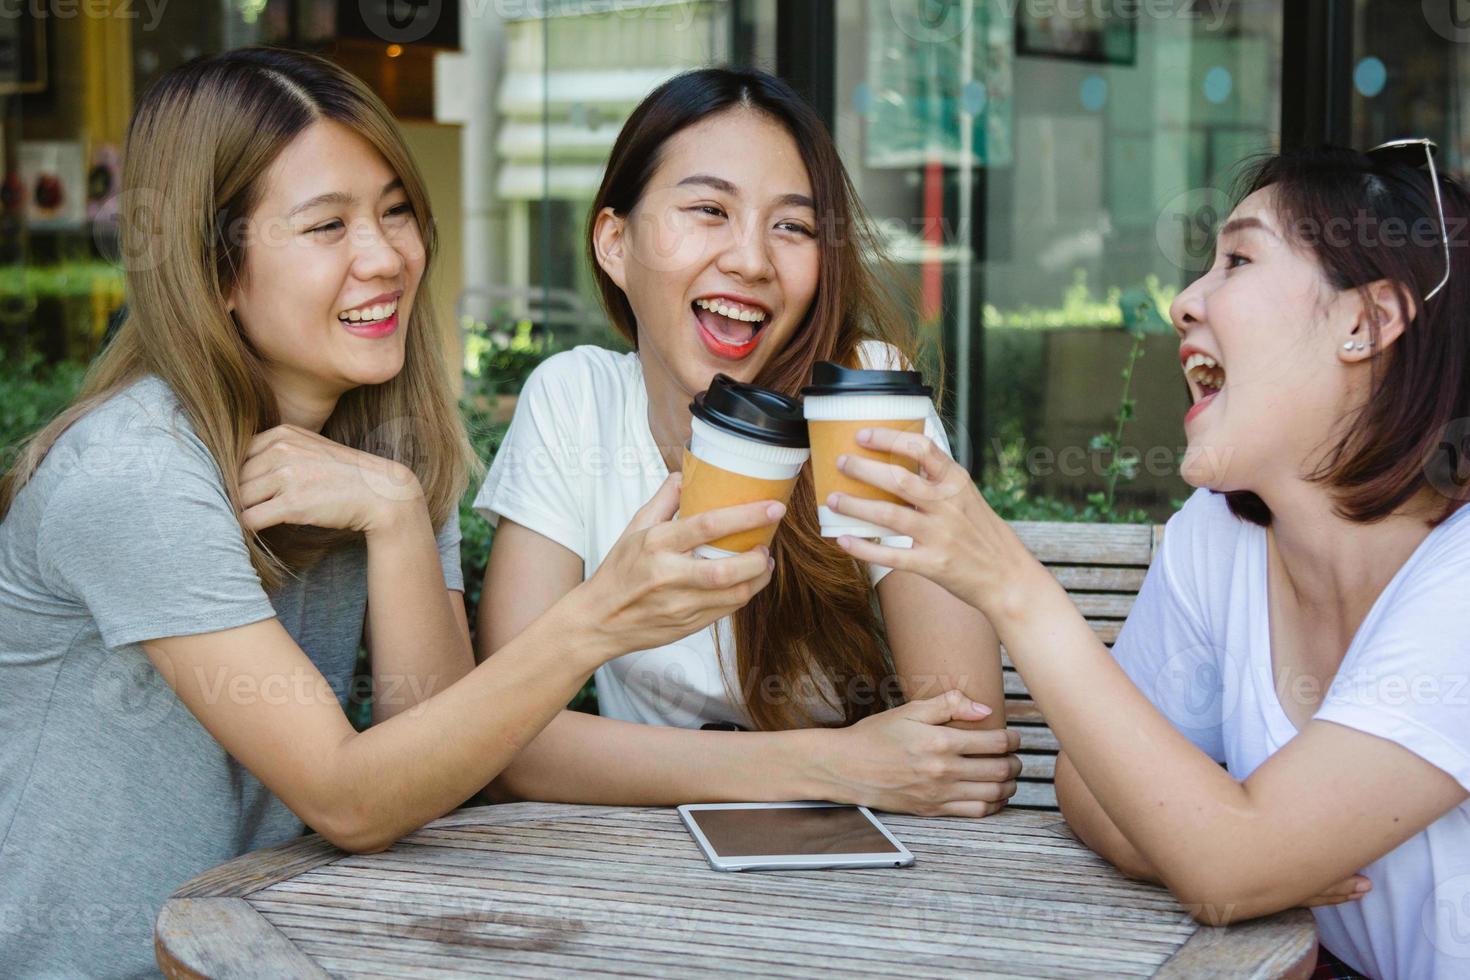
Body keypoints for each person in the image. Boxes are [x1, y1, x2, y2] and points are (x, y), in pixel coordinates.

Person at [0, 49, 778, 979]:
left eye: (396, 210)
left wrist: (401, 514)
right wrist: (597, 620)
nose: (385, 257)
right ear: (216, 271)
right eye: (327, 226)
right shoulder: (137, 476)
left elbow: (439, 769)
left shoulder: (388, 453)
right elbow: (351, 800)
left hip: (270, 953)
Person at [823, 143, 1470, 979]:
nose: (1182, 302)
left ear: (1367, 322)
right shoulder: (1221, 537)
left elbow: (1231, 868)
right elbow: (1091, 790)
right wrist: (1206, 844)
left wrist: (1013, 585)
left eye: (1237, 259)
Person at [474, 68, 1019, 813]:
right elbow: (504, 742)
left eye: (791, 226)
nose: (752, 260)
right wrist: (831, 764)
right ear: (614, 241)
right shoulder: (575, 401)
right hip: (635, 871)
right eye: (708, 209)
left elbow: (963, 752)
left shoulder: (862, 400)